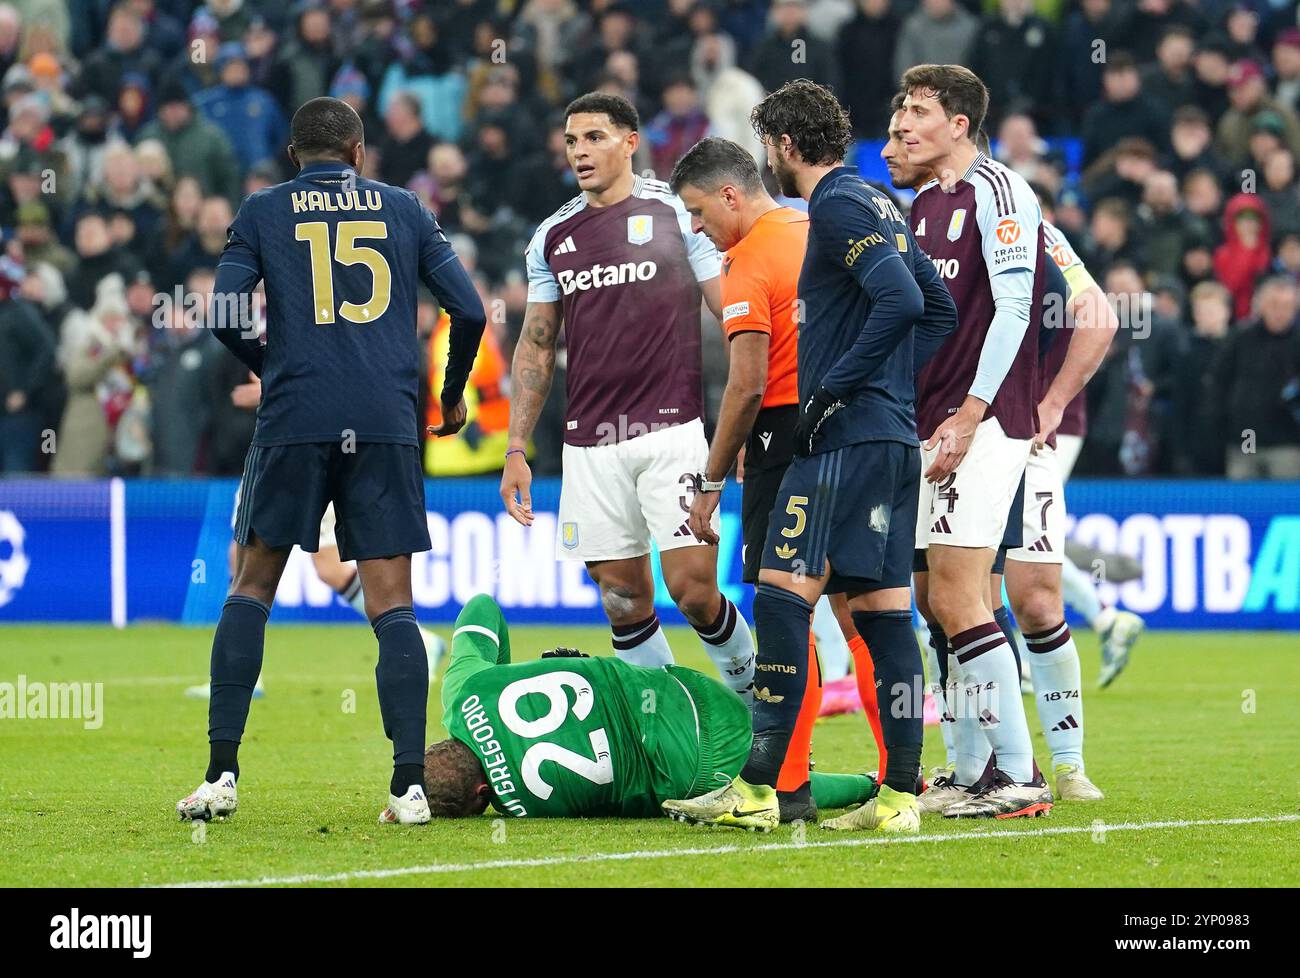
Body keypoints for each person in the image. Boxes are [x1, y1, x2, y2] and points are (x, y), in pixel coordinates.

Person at [174, 96, 486, 826]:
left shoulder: (261, 210)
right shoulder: (406, 208)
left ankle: (220, 777)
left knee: (251, 588)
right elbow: (469, 311)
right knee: (392, 604)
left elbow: (221, 312)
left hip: (294, 418)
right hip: (384, 421)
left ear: (293, 157)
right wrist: (449, 397)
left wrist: (273, 363)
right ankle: (408, 789)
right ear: (358, 151)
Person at [662, 80, 956, 834]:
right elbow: (937, 307)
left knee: (781, 598)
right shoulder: (881, 201)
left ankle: (761, 790)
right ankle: (898, 798)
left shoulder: (833, 204)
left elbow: (905, 301)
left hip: (845, 437)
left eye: (770, 145)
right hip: (891, 436)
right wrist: (890, 387)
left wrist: (836, 391)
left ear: (784, 147)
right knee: (886, 615)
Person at [500, 92, 757, 703]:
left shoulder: (676, 214)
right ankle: (674, 731)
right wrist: (516, 446)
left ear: (630, 142)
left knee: (694, 587)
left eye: (594, 137)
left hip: (671, 429)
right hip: (589, 443)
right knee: (620, 596)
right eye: (571, 141)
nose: (580, 152)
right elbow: (537, 345)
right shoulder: (553, 237)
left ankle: (763, 722)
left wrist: (750, 417)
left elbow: (732, 315)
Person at [670, 135, 891, 778]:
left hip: (785, 433)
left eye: (699, 212)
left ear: (730, 196)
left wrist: (713, 476)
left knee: (782, 610)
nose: (698, 229)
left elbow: (747, 382)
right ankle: (895, 778)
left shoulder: (747, 258)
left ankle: (782, 780)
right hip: (857, 425)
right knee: (859, 610)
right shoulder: (821, 224)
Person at [898, 64, 1052, 819]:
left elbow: (1017, 307)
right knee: (932, 598)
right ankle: (968, 770)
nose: (903, 122)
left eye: (919, 110)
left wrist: (970, 410)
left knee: (962, 593)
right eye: (901, 108)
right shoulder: (923, 203)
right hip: (929, 426)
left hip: (984, 423)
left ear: (958, 124)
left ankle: (1020, 775)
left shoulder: (1000, 190)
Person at [423, 594, 879, 820]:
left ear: (480, 797)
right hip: (689, 693)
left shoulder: (521, 807)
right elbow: (481, 606)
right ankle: (779, 731)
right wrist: (512, 673)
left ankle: (870, 785)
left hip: (693, 774)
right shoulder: (462, 694)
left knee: (784, 788)